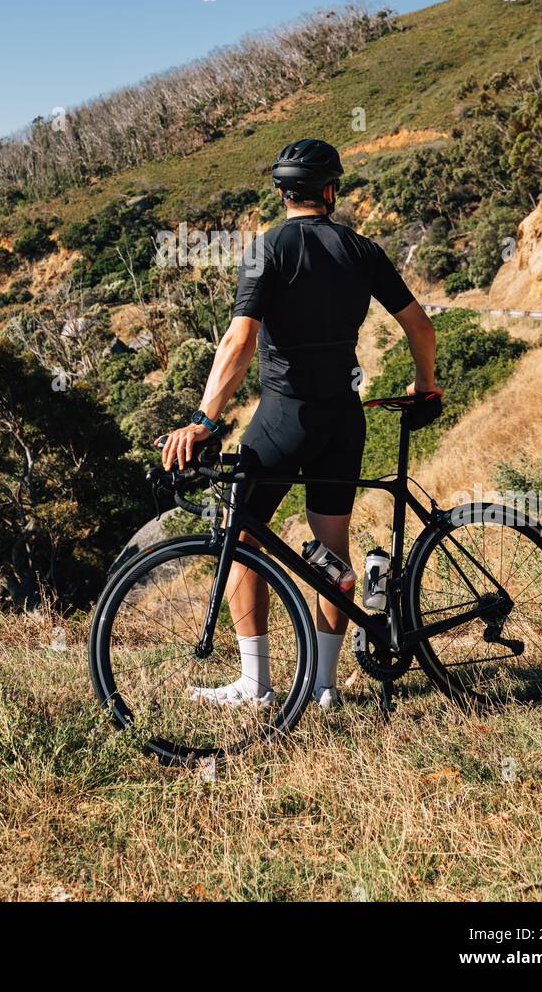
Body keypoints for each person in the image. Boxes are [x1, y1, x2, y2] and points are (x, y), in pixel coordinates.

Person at [161, 138, 442, 709]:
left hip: (286, 417)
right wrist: (424, 384)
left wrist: (202, 420)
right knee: (331, 547)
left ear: (283, 192)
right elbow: (421, 327)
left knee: (240, 537)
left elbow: (240, 340)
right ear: (330, 191)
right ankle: (325, 685)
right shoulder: (362, 250)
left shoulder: (268, 248)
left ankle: (256, 684)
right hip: (344, 416)